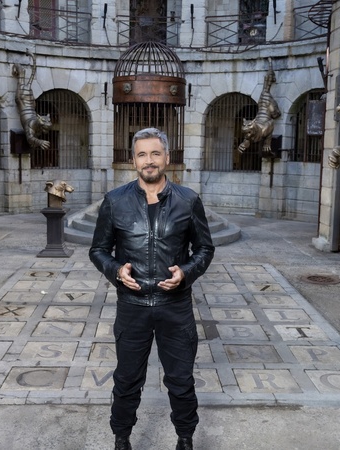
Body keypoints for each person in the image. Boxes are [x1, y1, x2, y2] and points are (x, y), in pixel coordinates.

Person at [90, 128, 215, 450]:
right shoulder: (114, 201)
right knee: (127, 380)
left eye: (155, 153)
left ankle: (185, 439)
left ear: (167, 158)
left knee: (181, 381)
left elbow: (204, 249)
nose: (149, 161)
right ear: (133, 160)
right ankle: (122, 437)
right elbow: (98, 250)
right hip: (132, 308)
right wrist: (116, 270)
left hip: (175, 308)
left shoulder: (188, 200)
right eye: (142, 154)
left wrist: (186, 273)